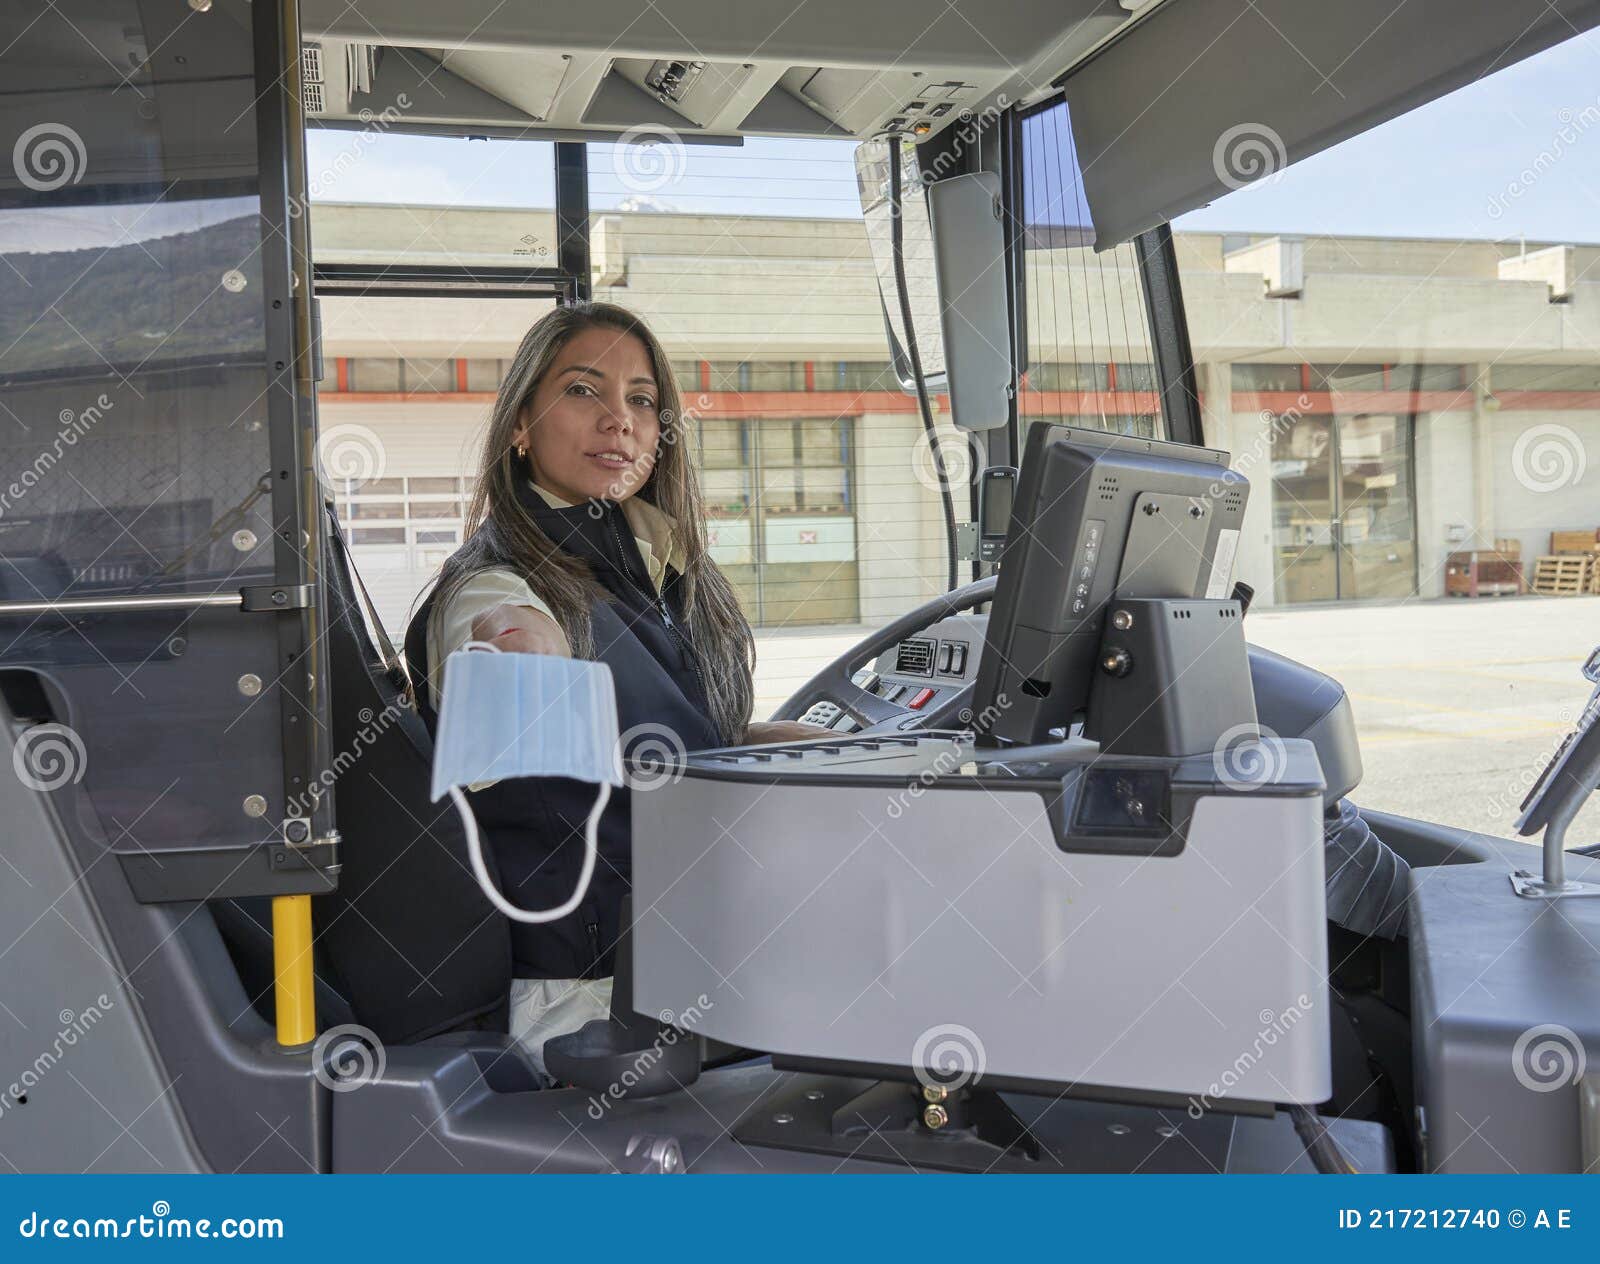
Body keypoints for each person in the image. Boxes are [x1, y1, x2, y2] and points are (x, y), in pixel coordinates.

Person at [403, 302, 821, 1075]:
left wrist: (846, 753)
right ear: (521, 425)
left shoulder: (652, 569)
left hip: (693, 952)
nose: (618, 420)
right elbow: (505, 628)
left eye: (641, 400)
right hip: (593, 1001)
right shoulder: (496, 577)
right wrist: (522, 647)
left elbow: (692, 745)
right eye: (583, 392)